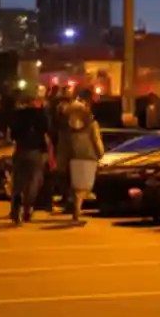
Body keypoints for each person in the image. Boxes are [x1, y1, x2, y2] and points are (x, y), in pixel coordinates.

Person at [57, 90, 104, 225]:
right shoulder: (91, 124)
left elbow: (62, 144)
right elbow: (96, 140)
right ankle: (76, 213)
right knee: (84, 187)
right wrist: (100, 153)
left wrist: (61, 159)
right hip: (89, 156)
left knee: (77, 185)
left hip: (74, 156)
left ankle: (75, 210)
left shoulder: (67, 126)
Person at [9, 95, 53, 225]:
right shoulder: (41, 115)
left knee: (18, 180)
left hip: (20, 149)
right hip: (36, 150)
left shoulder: (17, 115)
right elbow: (48, 130)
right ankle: (27, 208)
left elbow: (12, 134)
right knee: (33, 181)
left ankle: (16, 203)